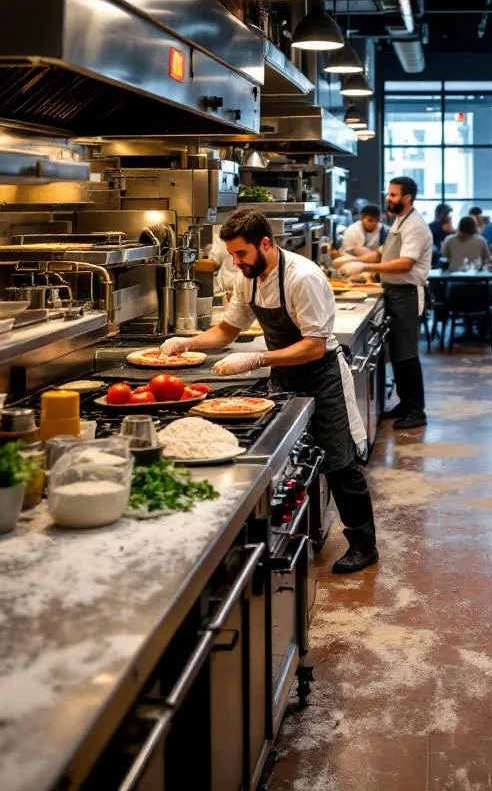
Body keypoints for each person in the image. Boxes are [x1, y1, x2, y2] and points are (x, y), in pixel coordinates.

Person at [159, 208, 379, 574]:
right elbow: (229, 330)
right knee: (296, 459)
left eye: (241, 253)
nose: (236, 261)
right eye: (231, 254)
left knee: (340, 463)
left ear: (266, 243)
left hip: (320, 376)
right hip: (285, 376)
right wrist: (188, 343)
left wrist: (256, 359)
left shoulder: (302, 278)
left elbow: (314, 345)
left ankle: (363, 543)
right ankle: (301, 533)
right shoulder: (249, 275)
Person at [340, 176, 432, 429]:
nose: (388, 199)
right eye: (389, 194)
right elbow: (383, 252)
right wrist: (349, 260)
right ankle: (405, 403)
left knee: (407, 355)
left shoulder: (416, 226)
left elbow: (406, 263)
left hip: (407, 295)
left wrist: (365, 266)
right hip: (392, 292)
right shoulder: (399, 221)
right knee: (399, 355)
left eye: (393, 195)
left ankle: (416, 411)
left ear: (407, 197)